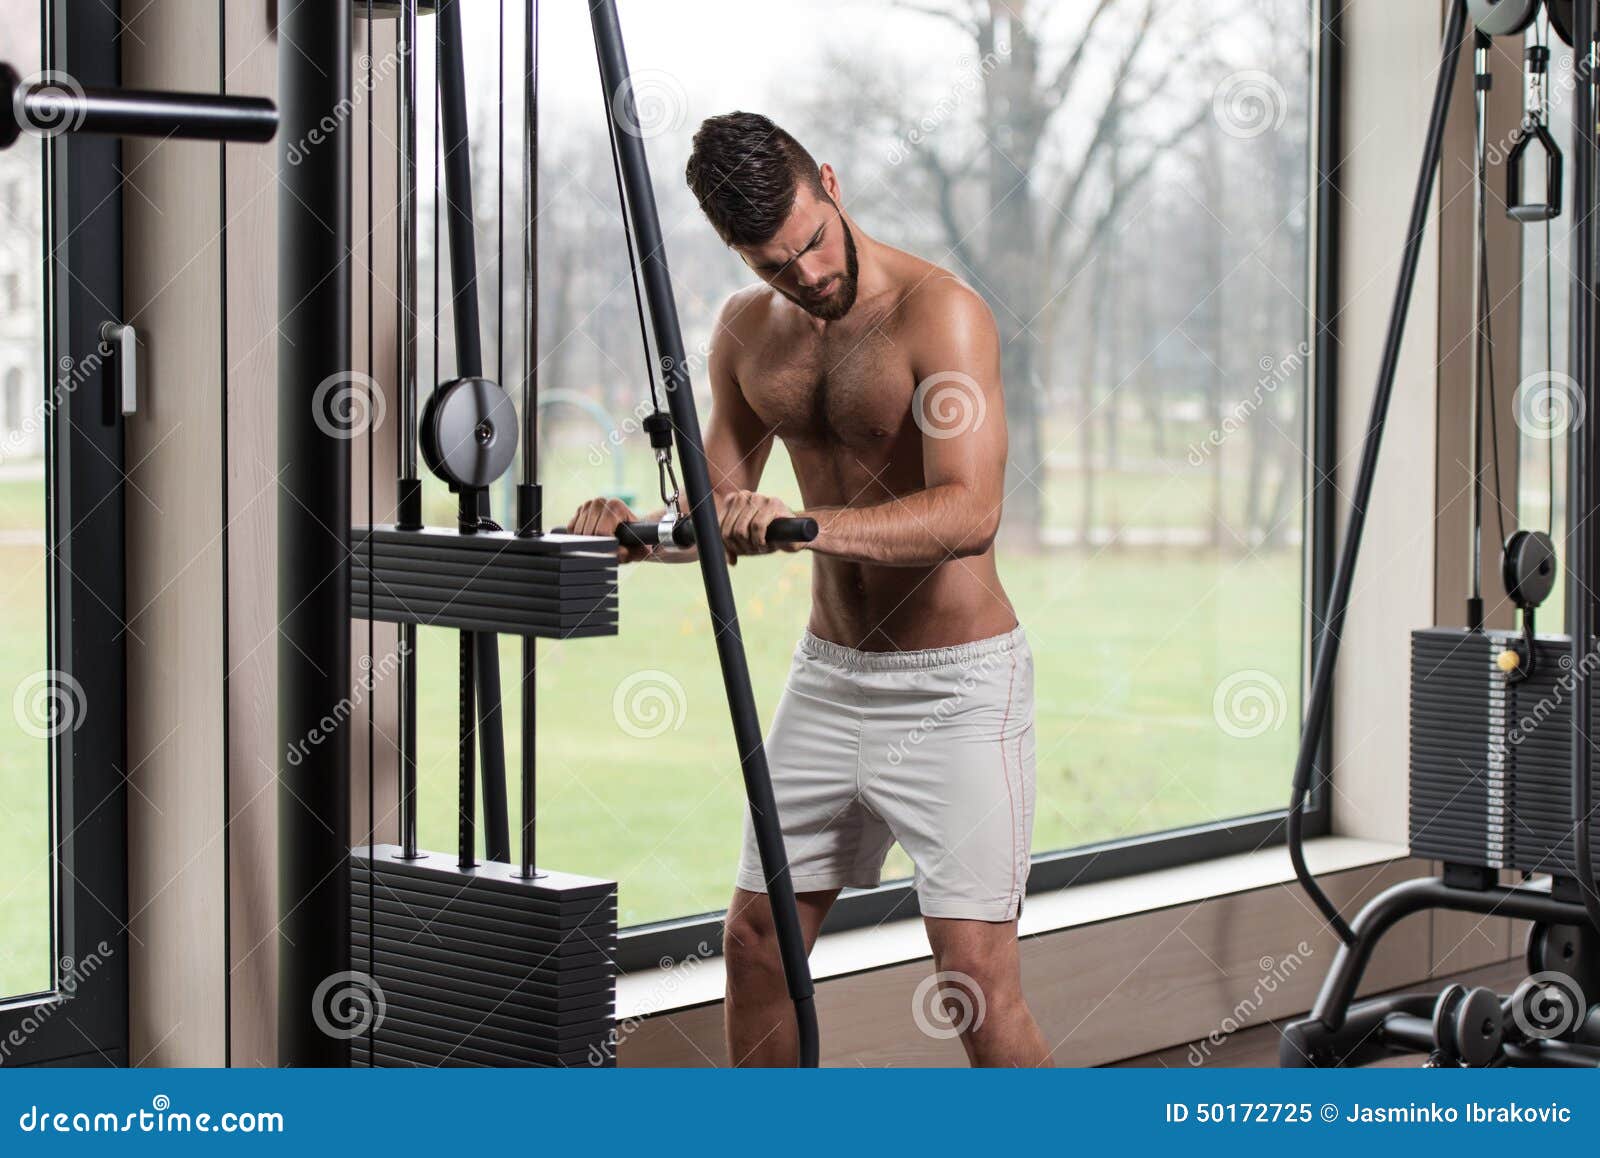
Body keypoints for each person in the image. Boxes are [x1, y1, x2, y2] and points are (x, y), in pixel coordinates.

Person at [568, 111, 1050, 1067]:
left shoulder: (941, 312)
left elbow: (971, 513)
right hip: (830, 680)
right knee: (755, 945)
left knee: (973, 986)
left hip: (956, 688)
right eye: (774, 267)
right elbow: (714, 513)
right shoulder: (747, 335)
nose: (809, 276)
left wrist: (799, 526)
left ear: (830, 182)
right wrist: (625, 527)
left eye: (812, 245)